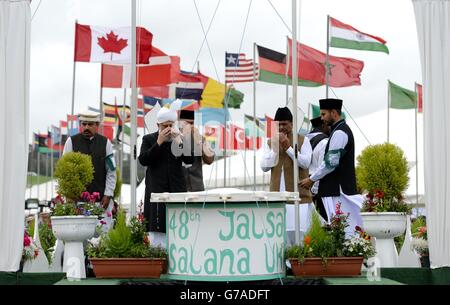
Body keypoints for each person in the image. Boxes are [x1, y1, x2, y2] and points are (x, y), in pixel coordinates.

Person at [300, 98, 363, 237]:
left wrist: (312, 179)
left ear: (334, 113)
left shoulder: (339, 133)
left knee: (346, 229)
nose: (321, 118)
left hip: (339, 190)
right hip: (335, 189)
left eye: (323, 114)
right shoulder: (338, 131)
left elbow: (330, 163)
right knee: (342, 228)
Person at [138, 107, 194, 247]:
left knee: (178, 226)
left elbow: (190, 160)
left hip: (177, 190)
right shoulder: (149, 139)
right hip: (156, 191)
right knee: (158, 228)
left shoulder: (179, 138)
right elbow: (143, 160)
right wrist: (159, 142)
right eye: (165, 126)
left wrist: (179, 142)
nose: (168, 129)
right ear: (158, 125)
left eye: (171, 125)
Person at [260, 107, 313, 246]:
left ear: (292, 123)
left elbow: (305, 162)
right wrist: (276, 149)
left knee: (300, 235)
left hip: (299, 199)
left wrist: (288, 148)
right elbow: (264, 166)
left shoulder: (303, 140)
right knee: (279, 236)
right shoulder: (269, 142)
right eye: (279, 124)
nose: (282, 127)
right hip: (277, 198)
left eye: (285, 124)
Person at [63, 110, 116, 231]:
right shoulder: (71, 142)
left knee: (102, 236)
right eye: (84, 124)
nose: (86, 127)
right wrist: (69, 195)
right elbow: (65, 170)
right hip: (78, 201)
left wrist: (108, 194)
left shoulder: (106, 143)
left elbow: (111, 171)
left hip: (101, 201)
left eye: (90, 124)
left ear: (97, 126)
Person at [178, 110, 215, 192]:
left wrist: (199, 142)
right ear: (180, 123)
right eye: (187, 123)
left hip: (197, 188)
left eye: (192, 123)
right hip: (179, 188)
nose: (190, 126)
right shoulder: (174, 138)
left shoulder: (199, 138)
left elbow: (210, 159)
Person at [306, 116, 330, 222]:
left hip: (303, 186)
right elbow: (322, 166)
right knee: (326, 222)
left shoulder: (304, 140)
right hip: (317, 187)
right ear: (323, 125)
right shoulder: (324, 142)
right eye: (328, 126)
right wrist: (314, 190)